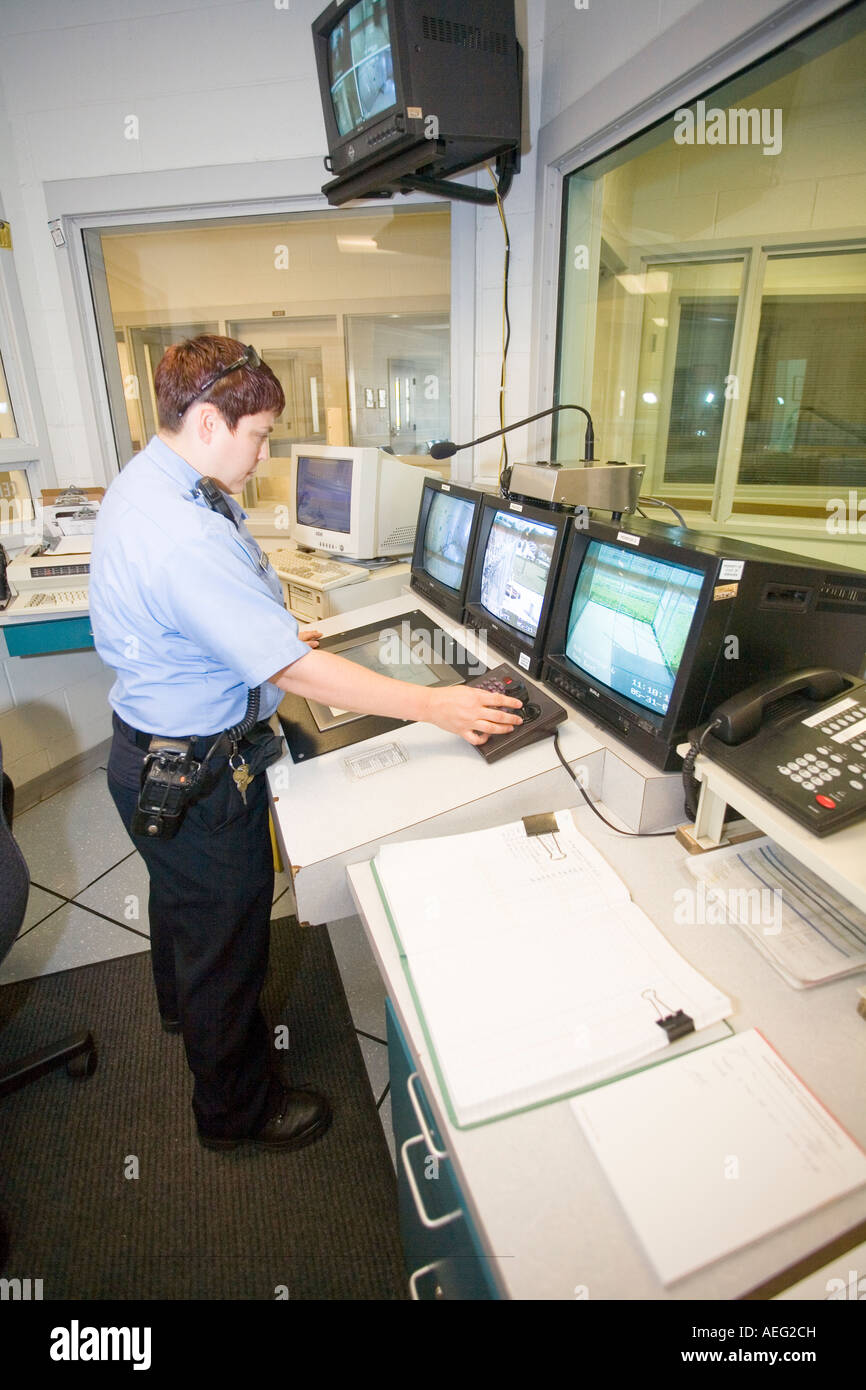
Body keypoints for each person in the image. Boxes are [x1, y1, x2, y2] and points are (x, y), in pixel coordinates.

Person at [89, 335, 522, 1154]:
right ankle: (234, 1114)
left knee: (182, 907)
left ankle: (183, 1013)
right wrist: (433, 707)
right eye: (257, 436)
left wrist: (265, 629)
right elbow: (296, 671)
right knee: (229, 946)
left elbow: (212, 619)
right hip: (199, 773)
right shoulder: (183, 534)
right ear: (210, 420)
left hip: (147, 757)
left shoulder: (150, 482)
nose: (263, 455)